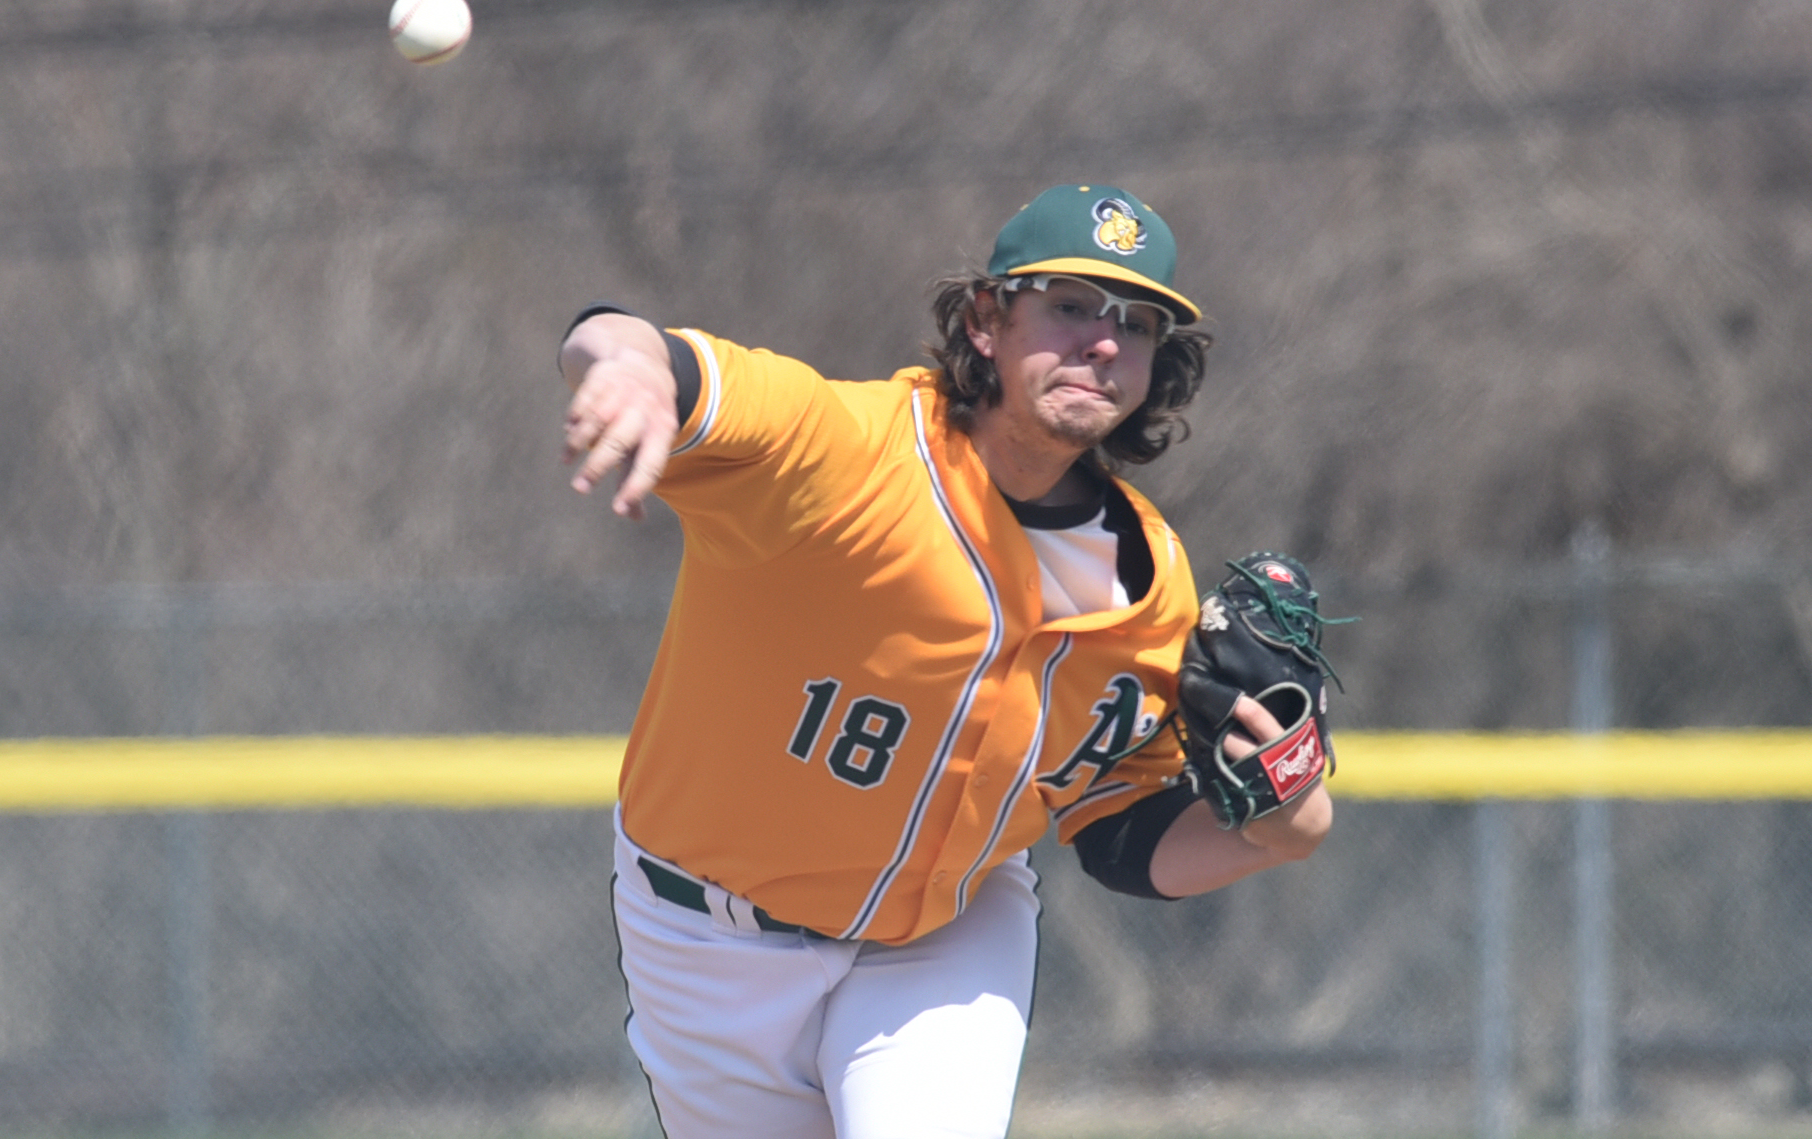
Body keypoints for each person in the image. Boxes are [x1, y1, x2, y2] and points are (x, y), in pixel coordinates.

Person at [558, 183, 1332, 1139]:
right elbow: (625, 338)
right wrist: (629, 365)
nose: (1102, 341)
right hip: (701, 941)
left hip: (943, 938)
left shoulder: (1149, 593)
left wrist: (1280, 831)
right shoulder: (843, 455)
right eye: (1070, 306)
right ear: (983, 320)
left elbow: (1117, 826)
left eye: (1136, 325)